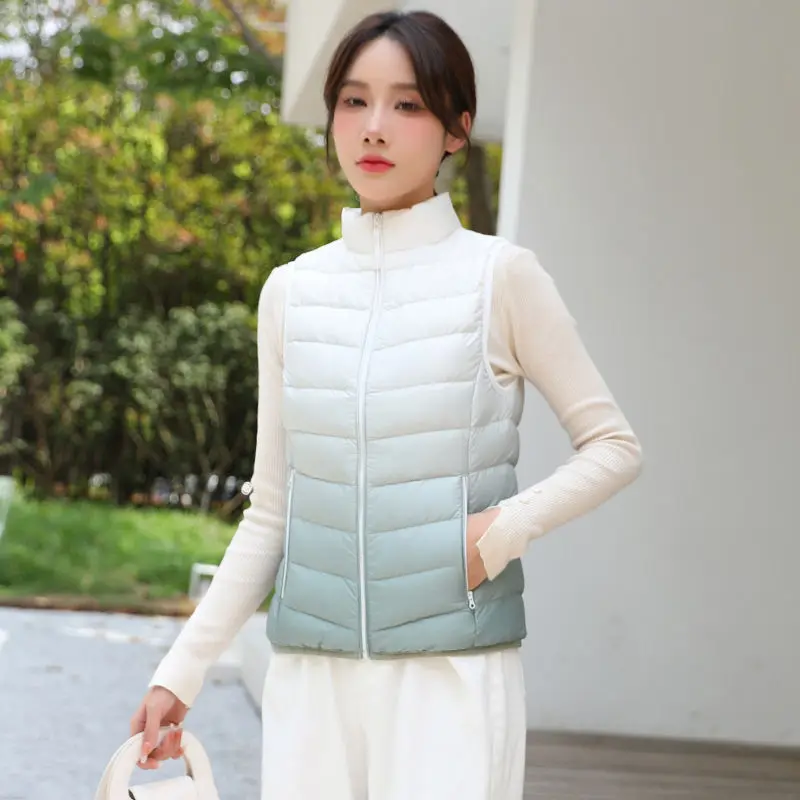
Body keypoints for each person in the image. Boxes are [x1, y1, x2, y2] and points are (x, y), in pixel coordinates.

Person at [130, 10, 643, 799]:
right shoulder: (292, 292)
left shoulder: (499, 277)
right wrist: (182, 670)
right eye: (353, 101)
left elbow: (614, 446)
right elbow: (273, 512)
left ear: (457, 129)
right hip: (311, 680)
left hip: (450, 675)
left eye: (407, 104)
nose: (374, 127)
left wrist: (500, 532)